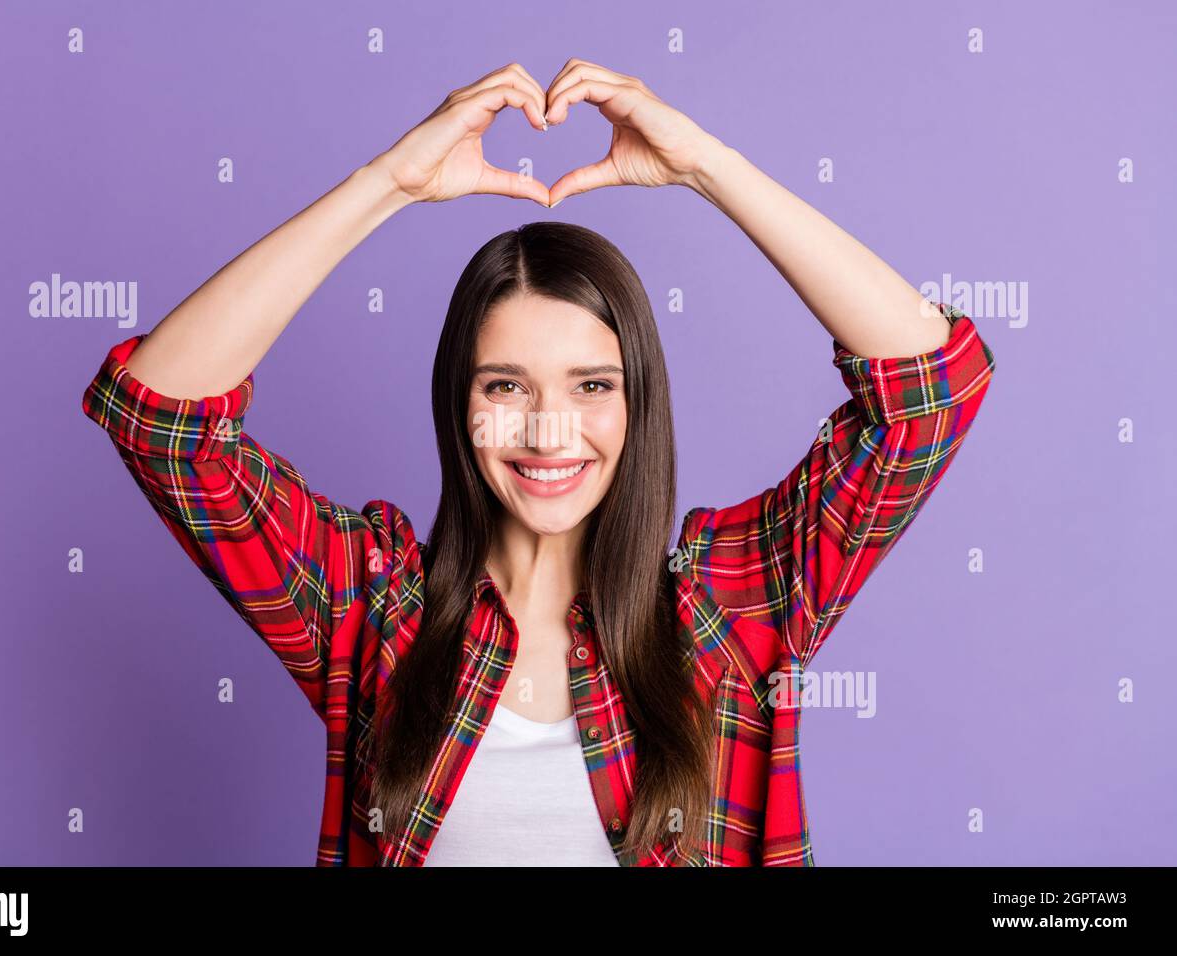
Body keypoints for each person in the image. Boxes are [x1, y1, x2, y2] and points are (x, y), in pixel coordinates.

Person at [80, 59, 996, 866]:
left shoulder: (730, 610)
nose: (550, 433)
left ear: (639, 406)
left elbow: (931, 396)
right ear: (460, 405)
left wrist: (707, 168)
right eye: (507, 388)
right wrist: (388, 184)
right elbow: (162, 422)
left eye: (592, 386)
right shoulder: (371, 609)